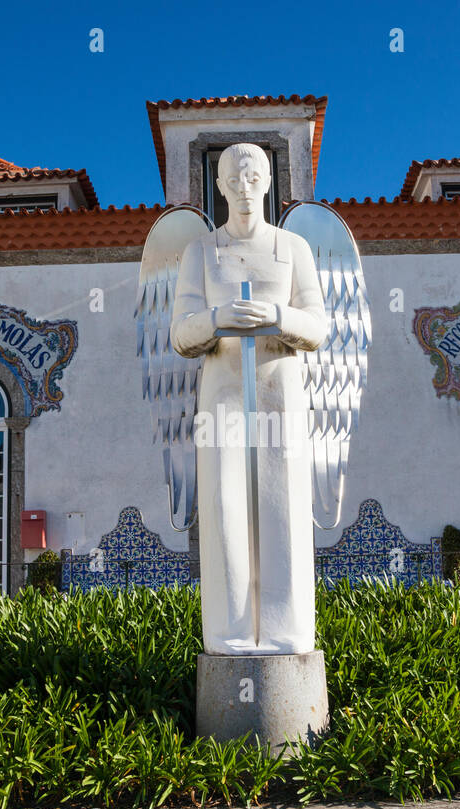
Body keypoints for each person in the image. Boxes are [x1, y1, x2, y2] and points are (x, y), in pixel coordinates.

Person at [171, 144, 329, 655]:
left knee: (281, 504)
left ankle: (287, 631)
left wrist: (277, 318)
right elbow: (180, 334)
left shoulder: (294, 248)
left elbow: (320, 327)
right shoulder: (200, 252)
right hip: (221, 398)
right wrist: (218, 320)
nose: (244, 187)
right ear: (219, 186)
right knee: (224, 506)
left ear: (267, 183)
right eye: (233, 179)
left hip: (279, 393)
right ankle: (230, 632)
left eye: (253, 176)